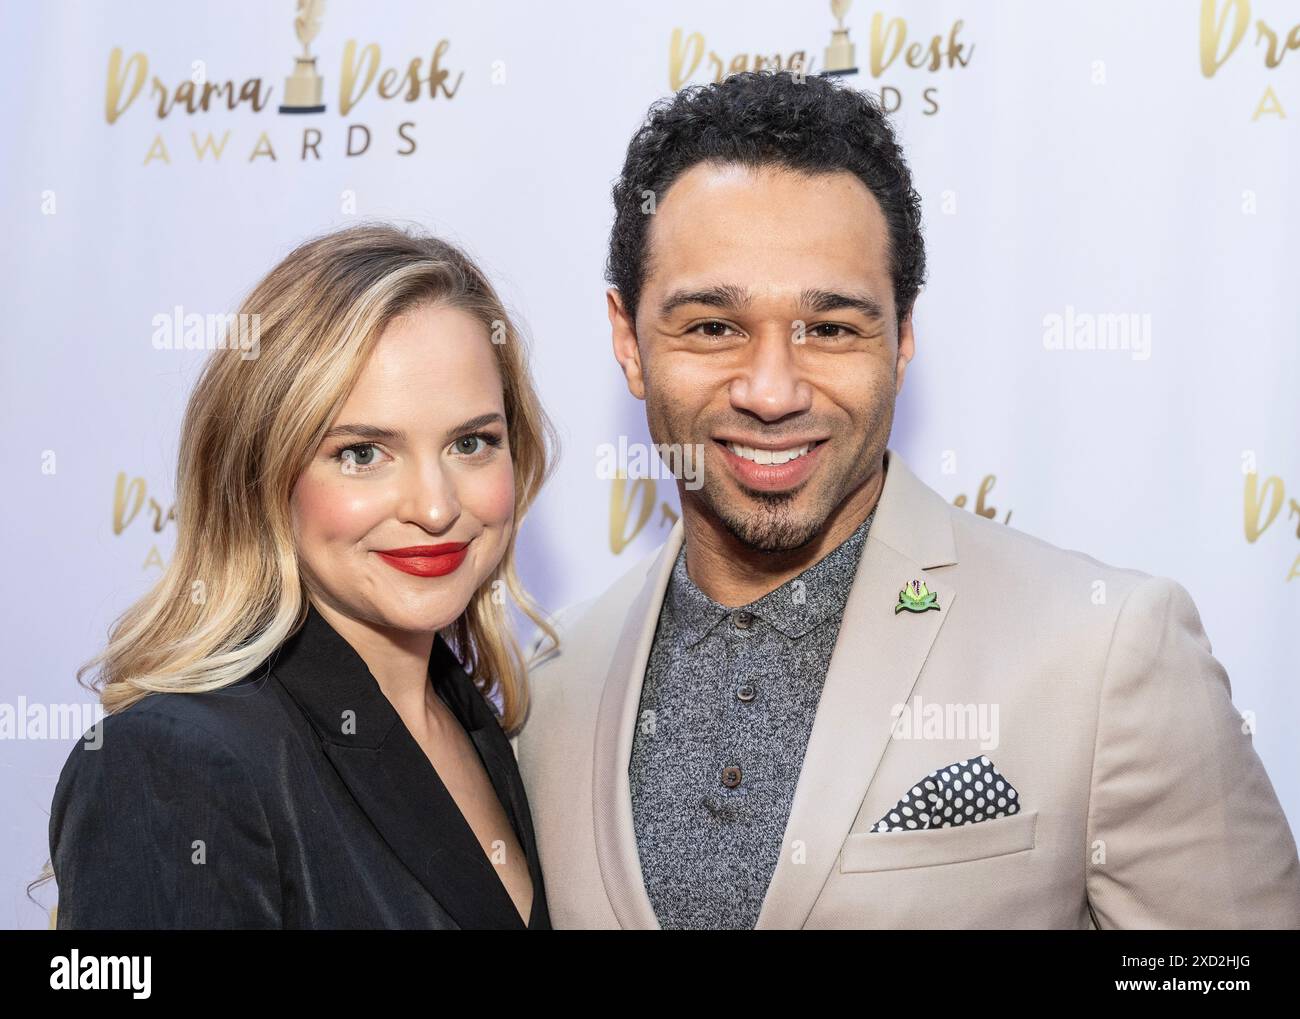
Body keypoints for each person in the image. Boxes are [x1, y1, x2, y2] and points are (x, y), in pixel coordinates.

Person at [514, 70, 1300, 929]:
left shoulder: (1107, 649)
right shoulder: (549, 689)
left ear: (903, 337)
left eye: (833, 327)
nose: (772, 390)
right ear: (628, 341)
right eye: (713, 327)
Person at [48, 224, 558, 929]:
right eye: (361, 453)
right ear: (263, 474)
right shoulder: (173, 766)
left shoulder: (487, 728)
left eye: (471, 443)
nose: (436, 506)